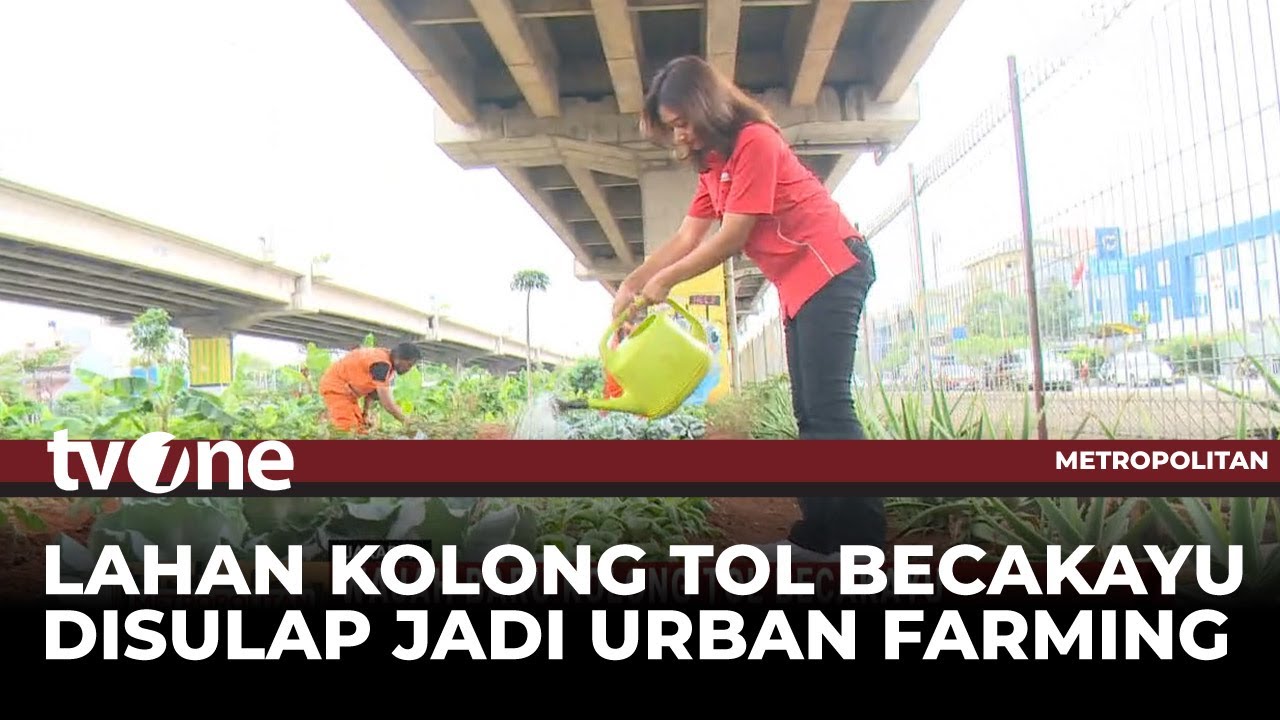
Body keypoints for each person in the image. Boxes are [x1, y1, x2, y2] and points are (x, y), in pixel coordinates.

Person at [612, 55, 883, 562]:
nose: (680, 138)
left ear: (706, 106)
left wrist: (665, 282)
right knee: (808, 411)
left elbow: (733, 235)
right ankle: (822, 536)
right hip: (799, 280)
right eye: (672, 129)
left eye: (682, 124)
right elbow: (687, 235)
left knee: (828, 408)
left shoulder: (755, 141)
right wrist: (633, 281)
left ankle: (860, 545)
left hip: (832, 265)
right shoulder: (715, 164)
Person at [318, 342, 421, 434]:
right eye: (409, 365)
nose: (409, 369)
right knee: (348, 429)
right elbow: (387, 403)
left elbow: (373, 393)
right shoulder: (381, 364)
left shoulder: (387, 366)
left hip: (348, 395)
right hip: (337, 388)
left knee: (361, 428)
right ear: (399, 358)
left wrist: (366, 413)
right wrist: (406, 421)